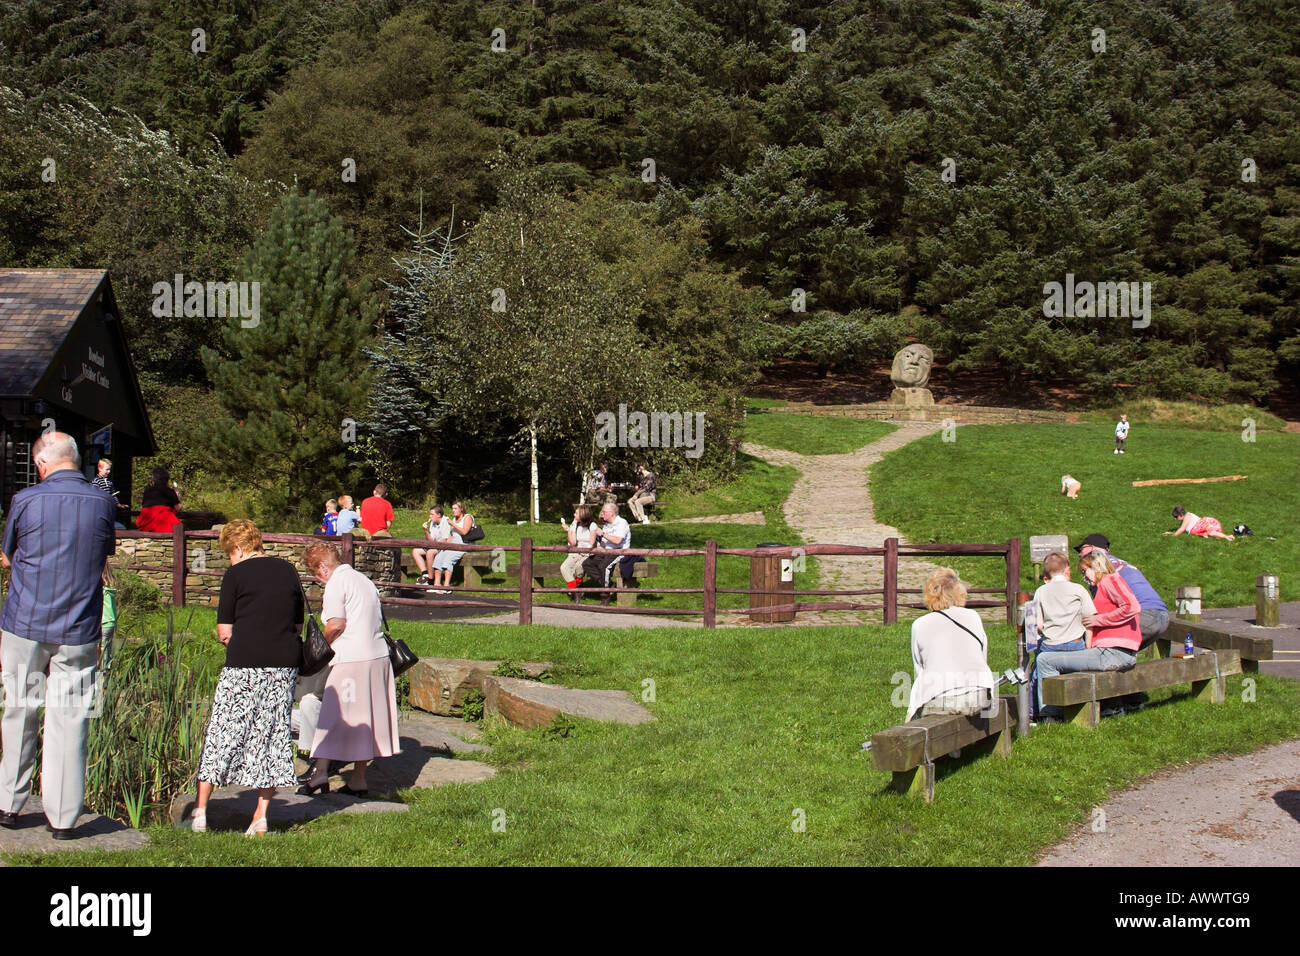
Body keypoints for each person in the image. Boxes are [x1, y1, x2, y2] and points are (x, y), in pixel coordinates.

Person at [0, 432, 116, 839]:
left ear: (41, 464)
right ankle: (63, 819)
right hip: (79, 627)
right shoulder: (103, 502)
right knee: (70, 719)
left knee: (20, 708)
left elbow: (9, 555)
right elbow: (102, 554)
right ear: (76, 460)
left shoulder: (26, 500)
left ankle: (9, 806)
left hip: (26, 622)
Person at [191, 519, 303, 836]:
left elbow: (224, 631)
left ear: (238, 548)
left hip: (244, 663)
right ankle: (260, 817)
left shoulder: (235, 573)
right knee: (271, 733)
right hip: (283, 664)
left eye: (229, 552)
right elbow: (296, 626)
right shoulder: (288, 570)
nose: (229, 558)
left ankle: (200, 812)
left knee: (223, 729)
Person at [298, 542, 400, 797]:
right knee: (364, 720)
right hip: (377, 657)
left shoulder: (336, 583)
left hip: (351, 659)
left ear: (322, 567)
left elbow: (336, 625)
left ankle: (320, 774)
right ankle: (358, 778)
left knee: (334, 715)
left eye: (315, 573)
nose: (318, 579)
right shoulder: (362, 579)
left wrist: (319, 647)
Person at [1035, 551, 1140, 722]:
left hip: (1113, 652)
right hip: (1110, 651)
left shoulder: (1110, 580)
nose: (1084, 577)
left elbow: (1132, 606)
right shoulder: (1103, 586)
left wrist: (1098, 619)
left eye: (1085, 571)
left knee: (1044, 660)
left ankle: (1051, 716)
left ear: (1096, 566)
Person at [906, 568, 996, 720]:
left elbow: (919, 669)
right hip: (978, 694)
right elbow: (982, 656)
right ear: (959, 591)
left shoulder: (920, 624)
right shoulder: (973, 616)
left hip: (941, 697)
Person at [1029, 552, 1095, 718]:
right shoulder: (1078, 590)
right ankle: (1076, 709)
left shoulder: (1041, 591)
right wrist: (1088, 645)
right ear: (1067, 569)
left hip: (1050, 645)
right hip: (1075, 643)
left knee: (1042, 675)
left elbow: (1039, 624)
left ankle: (1047, 713)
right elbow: (1089, 620)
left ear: (1046, 573)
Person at [581, 502, 631, 606]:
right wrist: (596, 550)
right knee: (587, 564)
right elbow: (604, 543)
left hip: (619, 551)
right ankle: (609, 585)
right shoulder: (607, 525)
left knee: (603, 566)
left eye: (604, 512)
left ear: (611, 513)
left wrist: (603, 533)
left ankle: (605, 595)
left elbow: (617, 541)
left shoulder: (622, 523)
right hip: (606, 551)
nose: (602, 514)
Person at [429, 500, 474, 593]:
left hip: (464, 544)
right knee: (439, 557)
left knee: (448, 559)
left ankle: (447, 586)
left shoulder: (468, 517)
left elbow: (464, 532)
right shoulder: (454, 519)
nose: (453, 510)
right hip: (453, 543)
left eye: (455, 508)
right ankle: (436, 585)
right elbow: (451, 535)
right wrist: (446, 546)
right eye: (452, 508)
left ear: (461, 509)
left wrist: (453, 524)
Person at [559, 506, 598, 593]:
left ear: (583, 515)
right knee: (564, 567)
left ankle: (578, 585)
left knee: (579, 566)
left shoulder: (592, 525)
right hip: (576, 552)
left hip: (588, 553)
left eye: (576, 513)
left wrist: (581, 555)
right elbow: (572, 543)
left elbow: (591, 544)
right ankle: (574, 589)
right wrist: (569, 530)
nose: (574, 514)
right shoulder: (576, 524)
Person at [413, 505, 451, 585]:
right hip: (434, 545)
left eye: (432, 514)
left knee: (430, 552)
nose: (430, 516)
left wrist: (432, 545)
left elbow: (444, 541)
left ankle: (430, 580)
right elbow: (430, 540)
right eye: (430, 514)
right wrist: (426, 531)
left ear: (439, 515)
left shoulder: (445, 522)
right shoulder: (433, 523)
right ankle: (425, 574)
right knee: (415, 551)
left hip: (443, 546)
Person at [137, 466, 183, 531]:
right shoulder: (169, 491)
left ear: (153, 480)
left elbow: (144, 506)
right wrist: (177, 497)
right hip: (162, 521)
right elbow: (178, 508)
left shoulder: (147, 491)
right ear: (166, 480)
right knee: (179, 529)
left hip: (145, 521)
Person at [91, 457, 128, 529]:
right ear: (100, 469)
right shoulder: (96, 481)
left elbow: (113, 494)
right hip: (100, 507)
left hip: (108, 506)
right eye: (107, 469)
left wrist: (118, 504)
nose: (108, 471)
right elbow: (95, 494)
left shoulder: (109, 482)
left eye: (109, 469)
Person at [1165, 506, 1234, 541]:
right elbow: (1184, 532)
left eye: (1176, 517)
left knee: (1211, 533)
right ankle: (1225, 537)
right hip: (1201, 527)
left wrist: (1173, 536)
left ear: (1181, 515)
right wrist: (1171, 533)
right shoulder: (1185, 519)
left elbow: (1182, 529)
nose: (1175, 519)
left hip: (1202, 525)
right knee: (1213, 535)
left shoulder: (1187, 516)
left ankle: (1227, 537)